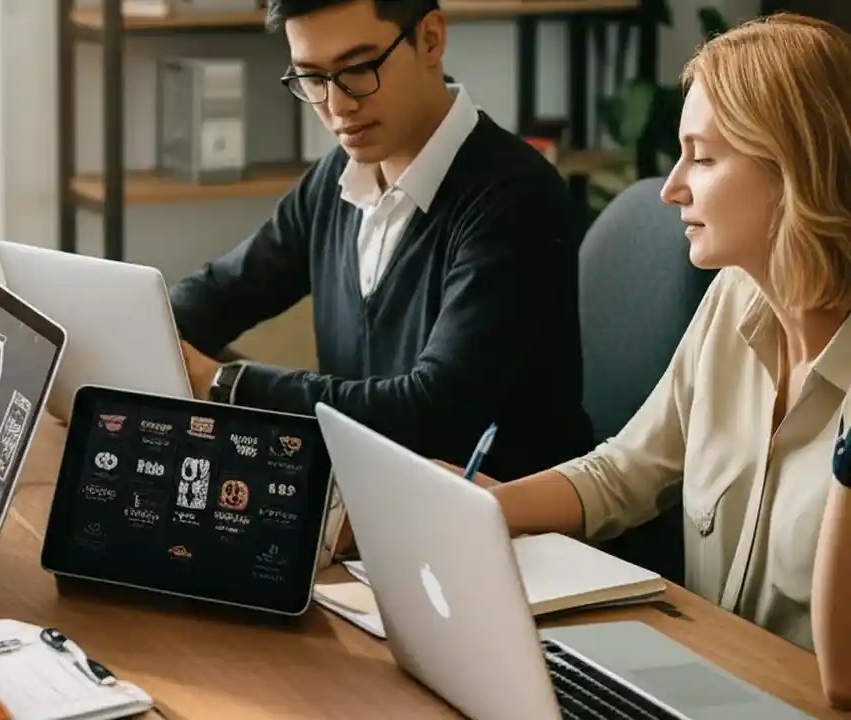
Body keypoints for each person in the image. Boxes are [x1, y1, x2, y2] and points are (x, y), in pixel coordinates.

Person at [470, 14, 851, 708]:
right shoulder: (735, 299)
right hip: (705, 685)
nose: (671, 187)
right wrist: (480, 509)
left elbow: (843, 680)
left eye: (701, 157)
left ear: (791, 166)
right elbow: (625, 472)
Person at [170, 0, 593, 481]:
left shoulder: (515, 198)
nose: (337, 105)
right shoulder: (336, 179)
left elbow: (432, 414)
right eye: (312, 78)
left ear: (430, 39)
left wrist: (223, 383)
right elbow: (223, 292)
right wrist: (144, 331)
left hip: (506, 528)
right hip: (368, 498)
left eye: (358, 68)